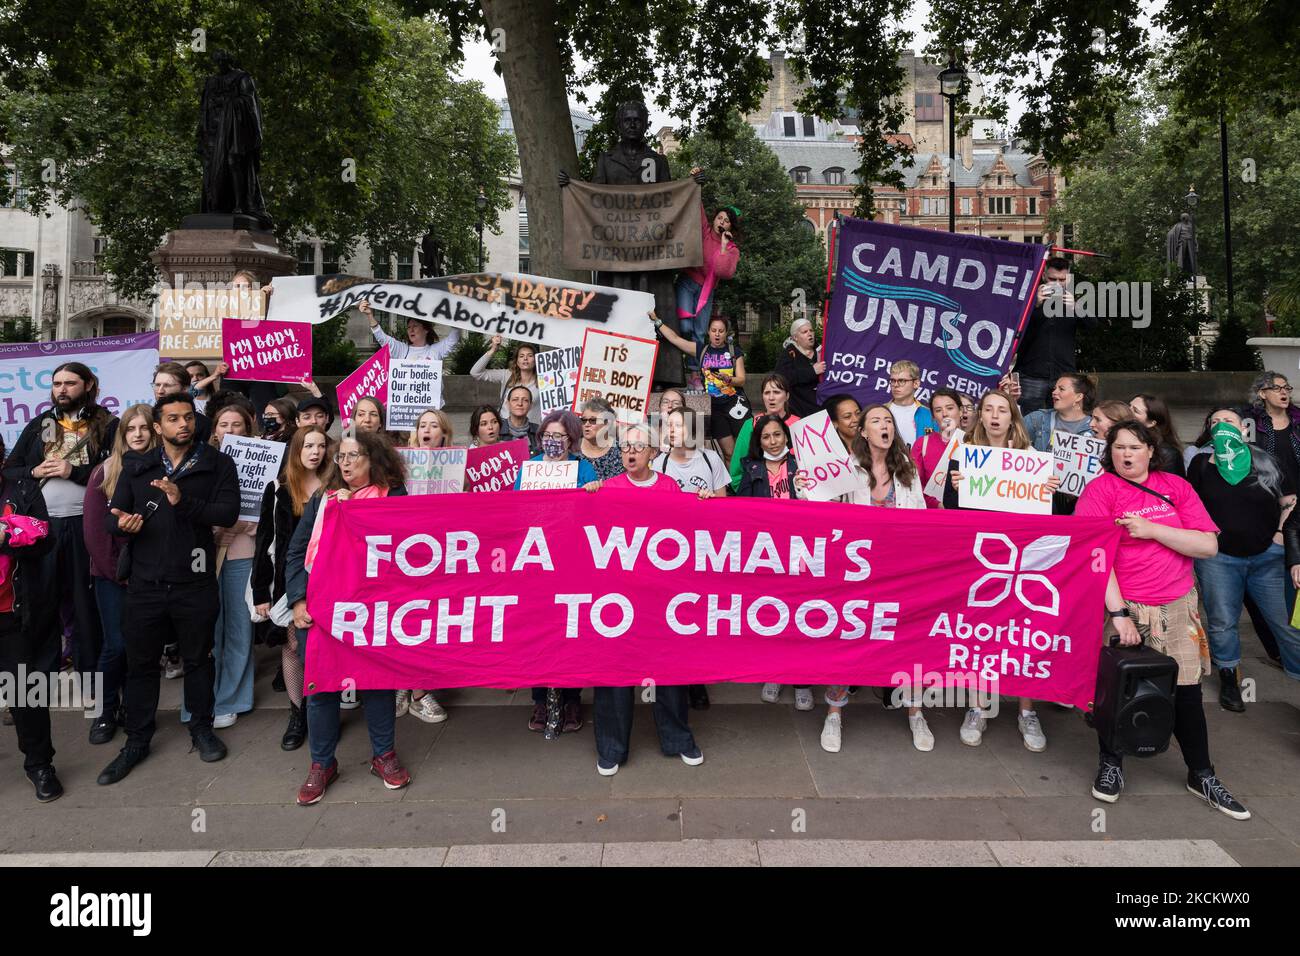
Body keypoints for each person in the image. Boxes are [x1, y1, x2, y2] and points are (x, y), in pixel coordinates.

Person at [1075, 421, 1250, 819]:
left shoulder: (1176, 487)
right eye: (1119, 448)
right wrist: (1118, 615)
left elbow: (1207, 544)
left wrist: (1153, 529)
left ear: (1150, 450)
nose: (1126, 454)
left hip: (1177, 605)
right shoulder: (1100, 491)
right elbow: (1097, 561)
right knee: (1117, 693)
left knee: (1188, 694)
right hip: (1128, 606)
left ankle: (1201, 774)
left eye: (1134, 447)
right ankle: (1111, 764)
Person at [97, 392, 240, 785]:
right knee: (141, 665)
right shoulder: (137, 466)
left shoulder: (217, 464)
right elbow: (113, 518)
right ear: (158, 427)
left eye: (188, 417)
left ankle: (201, 728)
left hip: (194, 583)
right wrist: (122, 524)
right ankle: (137, 740)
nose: (183, 424)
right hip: (145, 585)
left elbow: (227, 513)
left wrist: (183, 500)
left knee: (198, 659)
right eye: (173, 419)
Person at [286, 430, 412, 804]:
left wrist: (357, 514)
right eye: (340, 457)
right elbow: (295, 553)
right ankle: (322, 764)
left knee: (377, 681)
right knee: (321, 684)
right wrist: (297, 601)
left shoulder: (394, 497)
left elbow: (406, 551)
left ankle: (384, 755)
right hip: (322, 607)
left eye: (353, 456)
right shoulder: (322, 500)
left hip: (371, 607)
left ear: (373, 459)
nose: (344, 463)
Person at [945, 389, 1059, 752]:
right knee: (979, 635)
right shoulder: (963, 454)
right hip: (982, 562)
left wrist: (1049, 491)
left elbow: (1048, 517)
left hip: (1024, 563)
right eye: (989, 410)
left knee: (1022, 635)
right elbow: (951, 512)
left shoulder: (1031, 459)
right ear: (980, 416)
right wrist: (956, 489)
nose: (995, 416)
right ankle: (977, 707)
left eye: (1002, 410)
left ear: (1013, 418)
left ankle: (1027, 711)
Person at [819, 404, 931, 753]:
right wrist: (808, 486)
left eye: (888, 421)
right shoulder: (846, 469)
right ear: (864, 433)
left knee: (909, 640)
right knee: (847, 639)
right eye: (876, 421)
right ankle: (834, 712)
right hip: (856, 575)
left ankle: (915, 712)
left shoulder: (908, 468)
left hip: (900, 572)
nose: (884, 425)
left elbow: (923, 520)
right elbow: (822, 511)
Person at [593, 422, 704, 774]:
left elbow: (687, 532)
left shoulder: (670, 487)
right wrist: (588, 497)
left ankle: (678, 738)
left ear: (654, 454)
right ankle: (612, 748)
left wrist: (702, 505)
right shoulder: (608, 488)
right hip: (617, 596)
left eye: (638, 447)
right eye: (626, 446)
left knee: (668, 668)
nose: (630, 452)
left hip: (661, 597)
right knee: (614, 670)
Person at [3, 361, 117, 679]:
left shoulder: (106, 424)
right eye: (56, 384)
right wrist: (34, 471)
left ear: (89, 385)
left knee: (84, 604)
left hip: (86, 524)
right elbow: (10, 469)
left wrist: (75, 472)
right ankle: (40, 681)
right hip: (44, 526)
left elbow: (116, 474)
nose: (62, 389)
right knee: (40, 604)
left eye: (69, 383)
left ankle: (91, 679)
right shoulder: (43, 424)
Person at [1186, 408, 1300, 704]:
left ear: (1244, 429)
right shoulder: (1200, 464)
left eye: (1229, 421)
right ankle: (1229, 678)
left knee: (1285, 623)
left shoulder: (1267, 461)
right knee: (1222, 622)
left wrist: (1278, 538)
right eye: (1215, 422)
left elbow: (1289, 501)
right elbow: (1190, 507)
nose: (1222, 425)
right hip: (1219, 560)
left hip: (1268, 558)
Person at [513, 410, 600, 732]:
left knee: (570, 631)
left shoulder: (584, 468)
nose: (552, 442)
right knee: (540, 631)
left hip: (571, 561)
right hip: (537, 561)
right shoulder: (530, 468)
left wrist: (593, 494)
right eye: (547, 436)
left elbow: (594, 513)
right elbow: (515, 510)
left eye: (559, 437)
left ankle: (572, 699)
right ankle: (540, 700)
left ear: (571, 440)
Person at [177, 403, 259, 730]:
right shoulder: (199, 462)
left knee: (239, 628)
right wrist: (211, 524)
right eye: (223, 423)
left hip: (241, 553)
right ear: (214, 430)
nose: (229, 429)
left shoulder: (262, 459)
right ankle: (198, 701)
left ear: (247, 429)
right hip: (202, 553)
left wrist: (243, 526)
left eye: (237, 424)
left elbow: (269, 509)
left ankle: (231, 700)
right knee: (204, 630)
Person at [253, 426, 331, 751]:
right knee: (293, 647)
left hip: (328, 578)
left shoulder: (334, 488)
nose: (315, 452)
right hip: (287, 582)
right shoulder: (277, 489)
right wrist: (260, 591)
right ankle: (297, 713)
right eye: (308, 445)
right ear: (296, 450)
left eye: (321, 445)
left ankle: (321, 712)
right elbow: (264, 540)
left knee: (321, 647)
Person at [82, 404, 156, 746]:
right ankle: (105, 710)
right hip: (112, 576)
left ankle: (133, 709)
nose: (138, 434)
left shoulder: (161, 472)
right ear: (121, 434)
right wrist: (119, 575)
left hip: (149, 575)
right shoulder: (104, 473)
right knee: (115, 645)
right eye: (131, 429)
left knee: (141, 648)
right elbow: (96, 536)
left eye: (144, 427)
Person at [737, 414, 813, 710]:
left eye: (777, 435)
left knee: (802, 616)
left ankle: (802, 681)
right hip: (767, 554)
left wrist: (806, 490)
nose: (772, 441)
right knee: (772, 617)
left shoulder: (802, 465)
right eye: (766, 437)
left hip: (803, 551)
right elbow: (742, 509)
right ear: (759, 442)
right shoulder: (751, 469)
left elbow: (823, 501)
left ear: (786, 436)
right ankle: (775, 673)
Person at [0, 435, 58, 801]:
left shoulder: (21, 489)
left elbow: (46, 540)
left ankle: (40, 765)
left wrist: (8, 538)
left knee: (25, 695)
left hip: (11, 613)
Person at [1013, 256, 1099, 414]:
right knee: (1028, 423)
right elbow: (1012, 326)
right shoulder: (1028, 299)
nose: (1057, 284)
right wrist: (1034, 305)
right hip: (1032, 374)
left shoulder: (1073, 301)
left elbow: (1093, 325)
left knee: (1062, 422)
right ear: (1044, 276)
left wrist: (1076, 308)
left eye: (1062, 280)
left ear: (1068, 279)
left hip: (1064, 375)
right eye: (1053, 279)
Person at [653, 313, 747, 457]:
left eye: (721, 331)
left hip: (735, 404)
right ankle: (732, 481)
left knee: (744, 451)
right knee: (729, 453)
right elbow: (675, 339)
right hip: (714, 408)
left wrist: (728, 379)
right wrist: (657, 321)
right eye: (714, 330)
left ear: (726, 333)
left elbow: (741, 379)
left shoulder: (734, 351)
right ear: (708, 331)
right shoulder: (702, 350)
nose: (717, 334)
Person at [675, 189, 741, 386]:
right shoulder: (703, 231)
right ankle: (680, 363)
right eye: (719, 218)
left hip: (707, 291)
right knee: (685, 327)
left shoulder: (731, 249)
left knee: (700, 333)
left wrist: (723, 246)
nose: (721, 222)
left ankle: (695, 373)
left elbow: (724, 272)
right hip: (687, 282)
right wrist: (696, 185)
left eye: (726, 220)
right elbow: (697, 208)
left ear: (731, 227)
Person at [728, 373, 800, 490]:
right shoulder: (750, 425)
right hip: (760, 498)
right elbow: (737, 471)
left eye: (776, 392)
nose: (771, 397)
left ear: (787, 396)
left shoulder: (799, 425)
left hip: (794, 496)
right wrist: (749, 494)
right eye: (767, 393)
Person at [651, 408, 731, 497]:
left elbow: (722, 502)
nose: (672, 430)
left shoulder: (712, 459)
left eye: (678, 425)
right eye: (669, 425)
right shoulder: (659, 464)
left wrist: (709, 500)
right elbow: (657, 504)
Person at [359, 296, 461, 362]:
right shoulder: (401, 350)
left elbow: (453, 339)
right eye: (408, 327)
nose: (411, 330)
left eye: (415, 326)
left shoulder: (435, 350)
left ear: (426, 330)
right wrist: (369, 315)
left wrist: (458, 313)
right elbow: (382, 338)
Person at [910, 388, 964, 508]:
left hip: (966, 516)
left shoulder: (973, 443)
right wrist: (936, 504)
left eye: (950, 408)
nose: (945, 414)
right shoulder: (922, 444)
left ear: (960, 411)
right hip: (933, 516)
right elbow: (914, 485)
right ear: (933, 417)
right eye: (938, 410)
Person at [471, 336, 540, 425]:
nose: (525, 359)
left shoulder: (544, 380)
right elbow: (475, 372)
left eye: (530, 355)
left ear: (536, 360)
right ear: (517, 361)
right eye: (521, 356)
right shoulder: (507, 375)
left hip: (531, 430)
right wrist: (493, 350)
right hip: (506, 430)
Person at [1024, 374, 1096, 452]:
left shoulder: (1095, 428)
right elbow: (1013, 440)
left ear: (1078, 397)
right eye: (1055, 388)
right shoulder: (1037, 419)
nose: (1054, 392)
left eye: (1061, 389)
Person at [775, 317, 824, 417]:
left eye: (811, 330)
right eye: (804, 332)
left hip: (820, 407)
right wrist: (812, 371)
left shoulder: (821, 351)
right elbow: (782, 378)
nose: (810, 334)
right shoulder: (789, 354)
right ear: (795, 337)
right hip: (798, 409)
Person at [152, 362, 212, 444]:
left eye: (167, 385)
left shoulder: (203, 425)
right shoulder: (146, 418)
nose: (160, 391)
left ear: (185, 389)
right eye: (157, 385)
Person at [1129, 393, 1185, 477]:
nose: (1128, 411)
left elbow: (1172, 486)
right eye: (1129, 406)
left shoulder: (1166, 453)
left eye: (1136, 411)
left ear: (1151, 423)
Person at [884, 360, 936, 447]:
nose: (896, 385)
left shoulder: (930, 416)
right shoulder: (880, 411)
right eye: (893, 380)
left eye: (901, 381)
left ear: (916, 383)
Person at [578, 398, 624, 481]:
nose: (586, 424)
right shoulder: (572, 448)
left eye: (593, 420)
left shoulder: (622, 450)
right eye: (584, 420)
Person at [502, 385, 541, 454]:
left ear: (530, 405)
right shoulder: (497, 430)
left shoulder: (539, 431)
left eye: (525, 400)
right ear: (507, 404)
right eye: (515, 399)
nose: (520, 404)